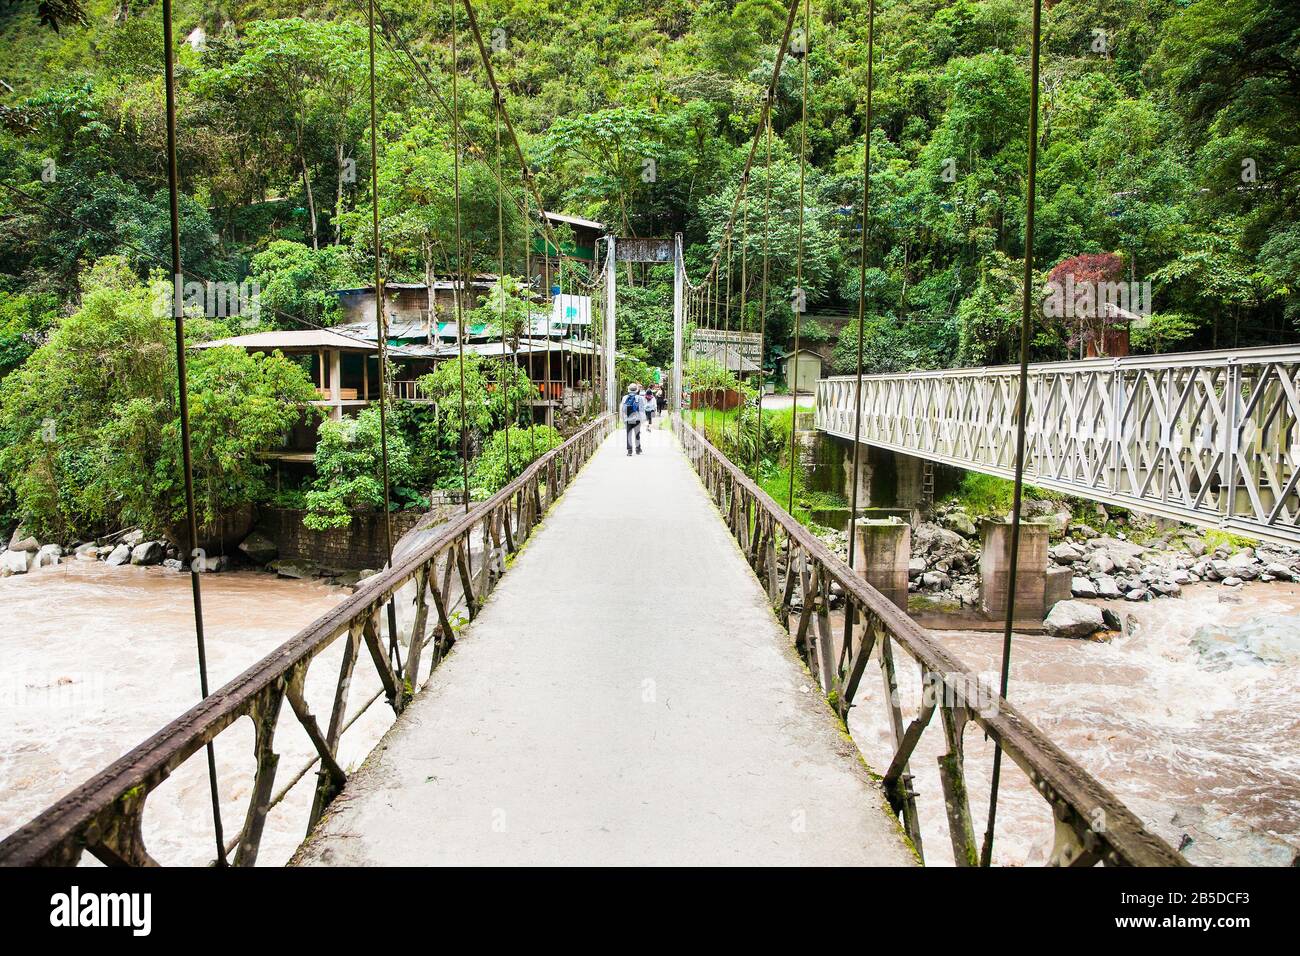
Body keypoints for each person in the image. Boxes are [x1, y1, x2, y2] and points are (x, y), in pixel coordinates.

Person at [622, 383, 644, 456]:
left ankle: (629, 451)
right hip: (637, 418)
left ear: (629, 390)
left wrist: (623, 419)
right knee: (637, 434)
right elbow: (641, 409)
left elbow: (623, 409)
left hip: (628, 419)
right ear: (636, 390)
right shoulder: (640, 398)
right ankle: (638, 449)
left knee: (629, 435)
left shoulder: (625, 398)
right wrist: (642, 419)